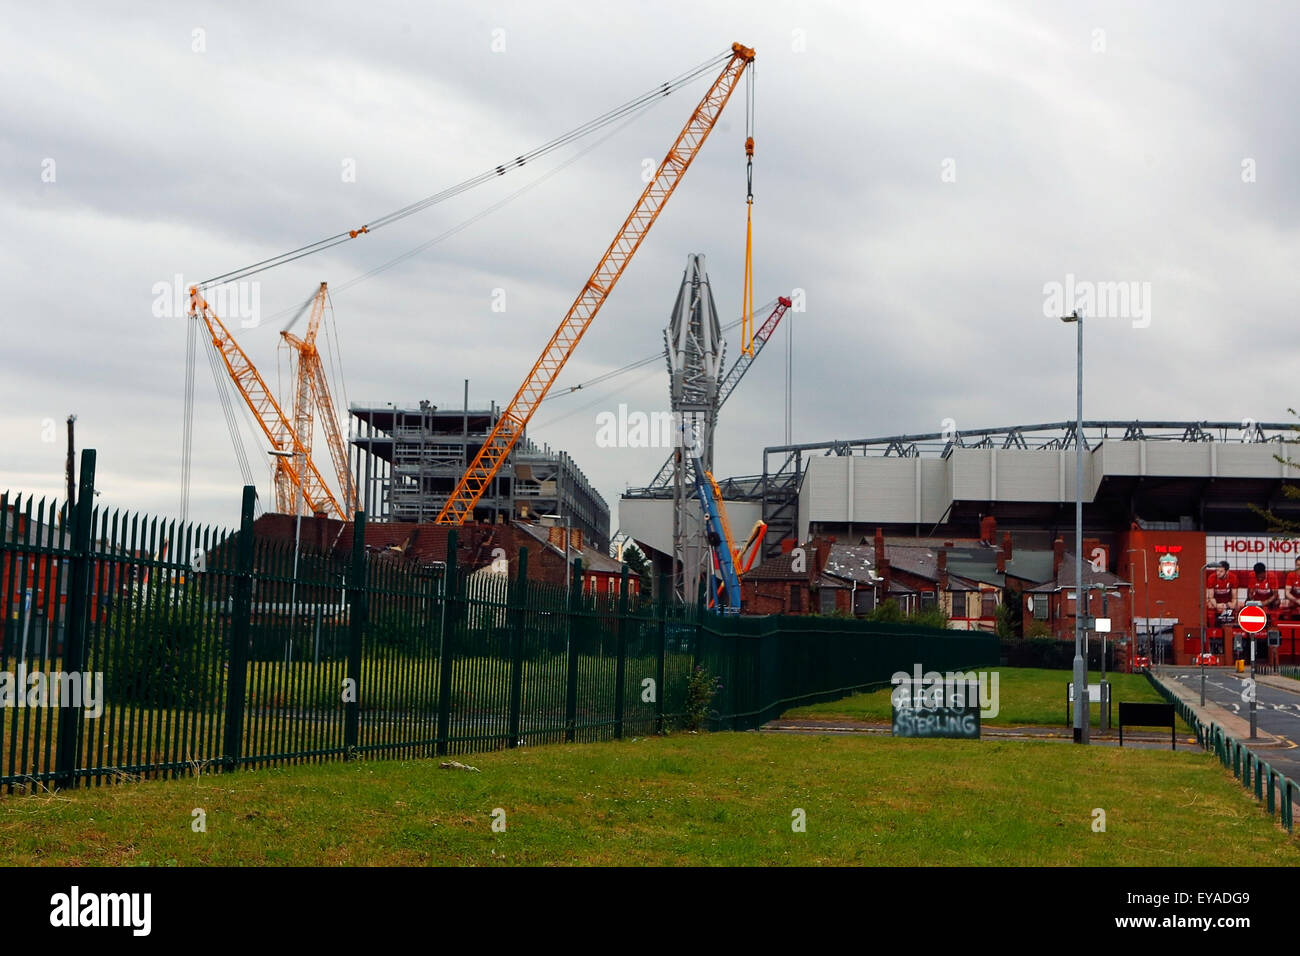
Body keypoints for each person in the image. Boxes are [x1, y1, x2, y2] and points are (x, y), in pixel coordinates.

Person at [1205, 560, 1237, 626]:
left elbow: (1234, 597)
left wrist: (1230, 605)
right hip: (1215, 601)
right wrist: (1217, 605)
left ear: (1227, 572)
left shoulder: (1233, 577)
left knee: (1238, 605)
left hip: (1227, 602)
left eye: (1221, 571)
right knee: (1209, 605)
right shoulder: (1211, 578)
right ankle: (1212, 627)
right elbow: (1211, 597)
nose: (1218, 573)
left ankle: (1234, 627)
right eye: (1217, 570)